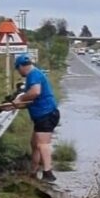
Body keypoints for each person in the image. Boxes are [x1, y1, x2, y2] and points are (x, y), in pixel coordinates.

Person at [9, 53, 60, 182]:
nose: (19, 72)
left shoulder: (33, 74)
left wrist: (20, 98)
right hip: (42, 115)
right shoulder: (35, 74)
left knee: (42, 144)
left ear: (21, 66)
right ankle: (33, 171)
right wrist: (14, 105)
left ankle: (48, 173)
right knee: (35, 144)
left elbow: (35, 92)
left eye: (18, 69)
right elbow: (32, 100)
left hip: (46, 114)